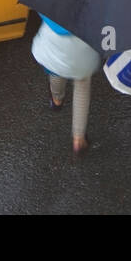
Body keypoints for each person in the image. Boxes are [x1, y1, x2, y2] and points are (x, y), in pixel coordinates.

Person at [30, 14, 100, 156]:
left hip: (53, 46)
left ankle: (57, 100)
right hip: (82, 51)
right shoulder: (98, 4)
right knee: (82, 86)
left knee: (56, 72)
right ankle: (78, 138)